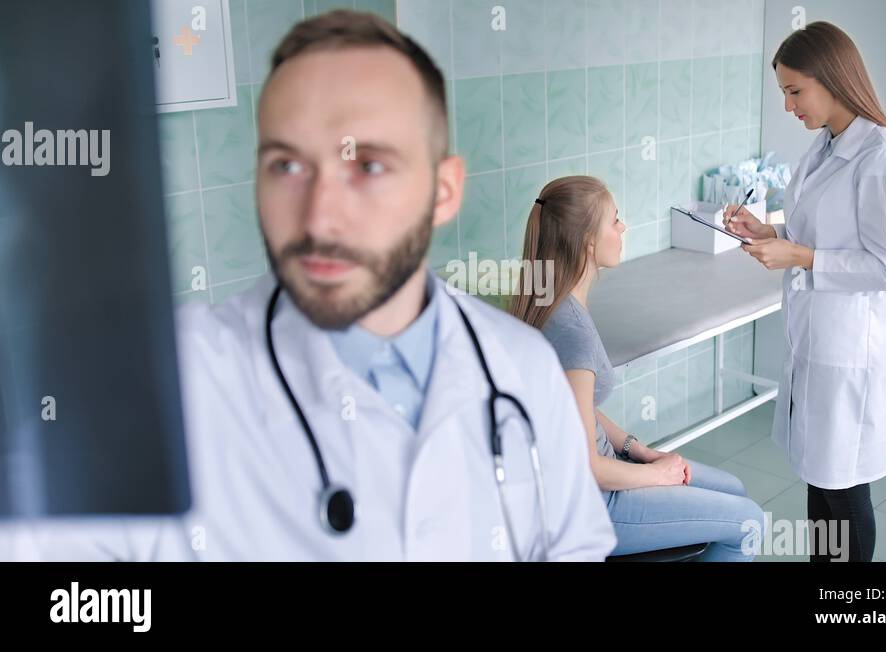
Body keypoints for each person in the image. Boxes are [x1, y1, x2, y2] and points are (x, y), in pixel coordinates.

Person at [0, 10, 615, 561]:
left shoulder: (524, 371)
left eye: (367, 166)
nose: (320, 216)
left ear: (443, 191)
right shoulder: (164, 382)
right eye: (287, 165)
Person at [723, 21, 886, 562]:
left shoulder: (883, 156)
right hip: (818, 340)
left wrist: (800, 257)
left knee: (844, 488)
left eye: (794, 91)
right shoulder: (826, 145)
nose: (789, 106)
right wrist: (771, 234)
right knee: (820, 481)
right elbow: (823, 234)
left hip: (852, 351)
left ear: (832, 79)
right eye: (783, 93)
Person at [509, 176, 766, 561]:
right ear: (588, 243)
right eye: (615, 220)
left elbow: (578, 411)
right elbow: (589, 467)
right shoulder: (571, 333)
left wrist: (639, 450)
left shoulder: (553, 306)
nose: (623, 227)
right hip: (596, 506)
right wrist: (656, 475)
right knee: (750, 522)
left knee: (733, 489)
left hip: (598, 481)